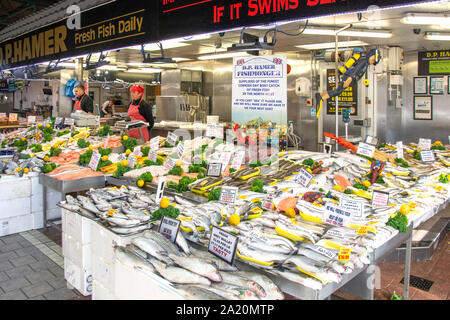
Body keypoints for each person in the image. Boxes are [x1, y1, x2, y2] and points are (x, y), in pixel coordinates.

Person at [315, 48, 381, 118]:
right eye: (373, 60)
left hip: (350, 77)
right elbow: (356, 69)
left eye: (374, 62)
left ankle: (320, 95)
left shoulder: (366, 63)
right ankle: (321, 98)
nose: (372, 62)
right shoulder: (364, 61)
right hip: (349, 76)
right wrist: (350, 78)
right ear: (371, 55)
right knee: (338, 91)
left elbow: (361, 72)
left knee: (338, 91)